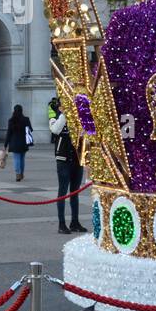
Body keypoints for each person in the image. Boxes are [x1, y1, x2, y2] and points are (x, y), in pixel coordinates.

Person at [49, 98, 86, 234]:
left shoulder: (79, 118)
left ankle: (75, 222)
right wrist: (65, 114)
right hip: (63, 159)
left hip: (76, 159)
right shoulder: (57, 118)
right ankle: (61, 223)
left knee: (75, 192)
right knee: (62, 192)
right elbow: (55, 130)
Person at [3, 104, 33, 183]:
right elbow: (31, 129)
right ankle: (22, 173)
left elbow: (9, 133)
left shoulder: (11, 120)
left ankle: (18, 174)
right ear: (22, 110)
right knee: (22, 159)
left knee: (16, 159)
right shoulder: (26, 119)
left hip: (14, 142)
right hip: (24, 142)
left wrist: (5, 144)